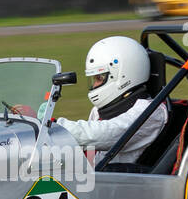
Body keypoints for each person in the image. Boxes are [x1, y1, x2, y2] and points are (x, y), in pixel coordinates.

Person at [49, 36, 168, 167]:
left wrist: (50, 126)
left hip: (123, 182)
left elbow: (99, 134)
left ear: (123, 75)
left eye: (99, 78)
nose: (94, 86)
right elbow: (88, 150)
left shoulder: (151, 113)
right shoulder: (103, 110)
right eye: (93, 79)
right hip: (96, 178)